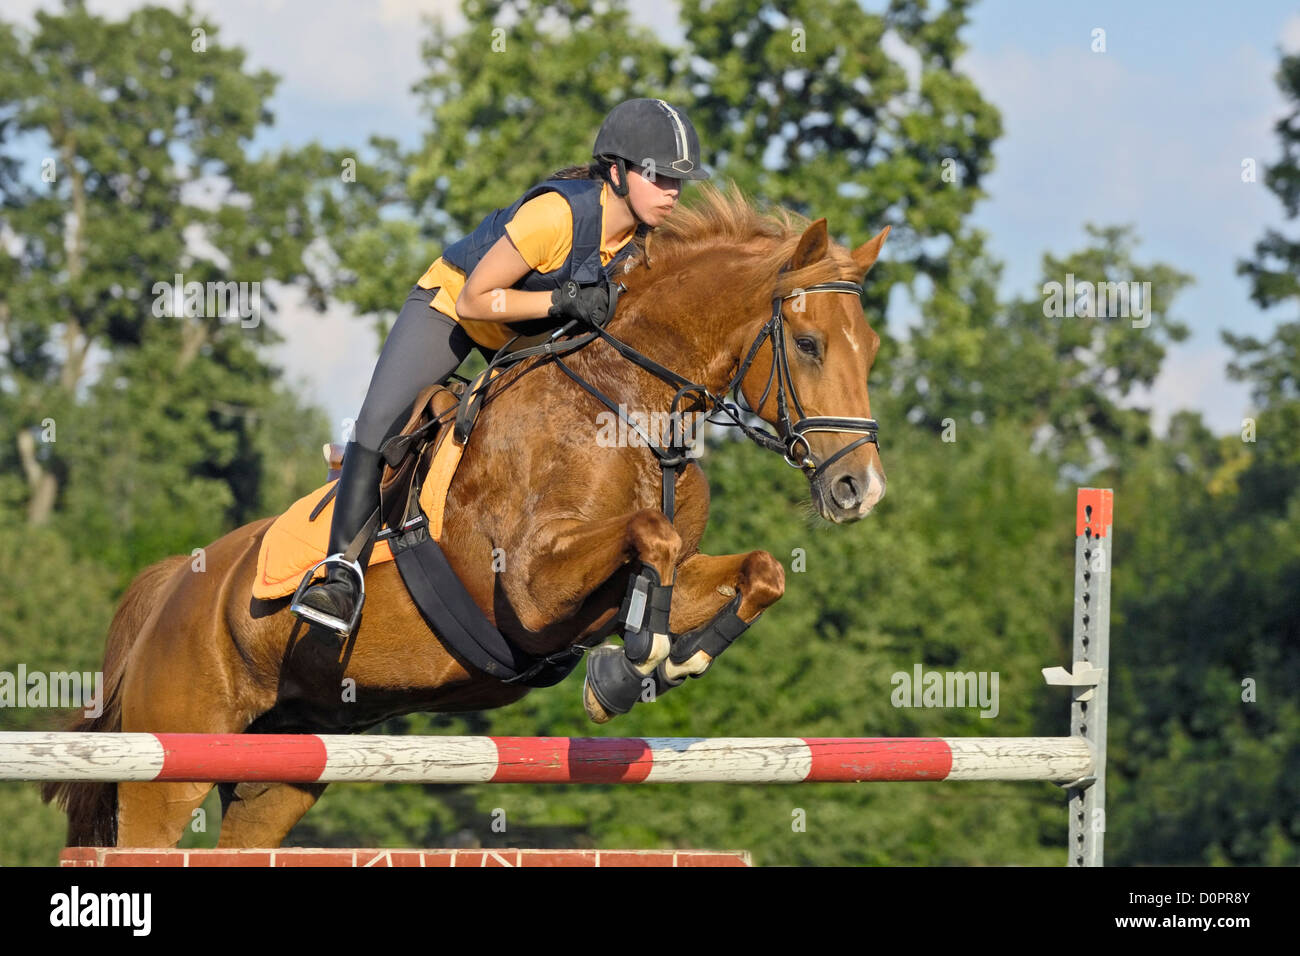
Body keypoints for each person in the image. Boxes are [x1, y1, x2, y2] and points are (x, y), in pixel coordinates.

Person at [291, 98, 709, 636]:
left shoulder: (643, 245)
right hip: (454, 307)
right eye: (659, 177)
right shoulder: (556, 215)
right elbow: (475, 300)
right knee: (380, 421)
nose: (672, 192)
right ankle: (340, 574)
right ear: (615, 172)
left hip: (522, 332)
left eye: (680, 181)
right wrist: (561, 303)